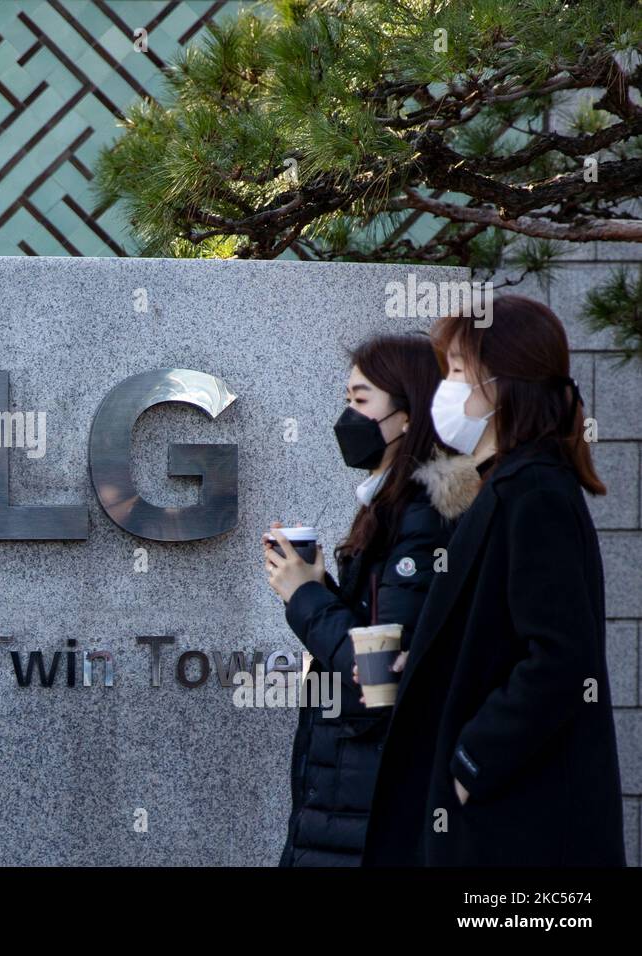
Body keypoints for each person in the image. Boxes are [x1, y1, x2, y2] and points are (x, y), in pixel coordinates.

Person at [362, 295, 626, 867]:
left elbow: (559, 658)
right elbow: (496, 634)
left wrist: (471, 765)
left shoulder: (533, 493)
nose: (445, 388)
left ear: (504, 383)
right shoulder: (506, 486)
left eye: (458, 370)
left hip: (516, 826)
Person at [266, 333, 480, 866]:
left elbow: (381, 675)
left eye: (361, 401)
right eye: (346, 399)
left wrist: (304, 595)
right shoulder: (392, 507)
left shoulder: (422, 516)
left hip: (369, 802)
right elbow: (379, 625)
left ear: (406, 416)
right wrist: (323, 586)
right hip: (349, 798)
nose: (347, 416)